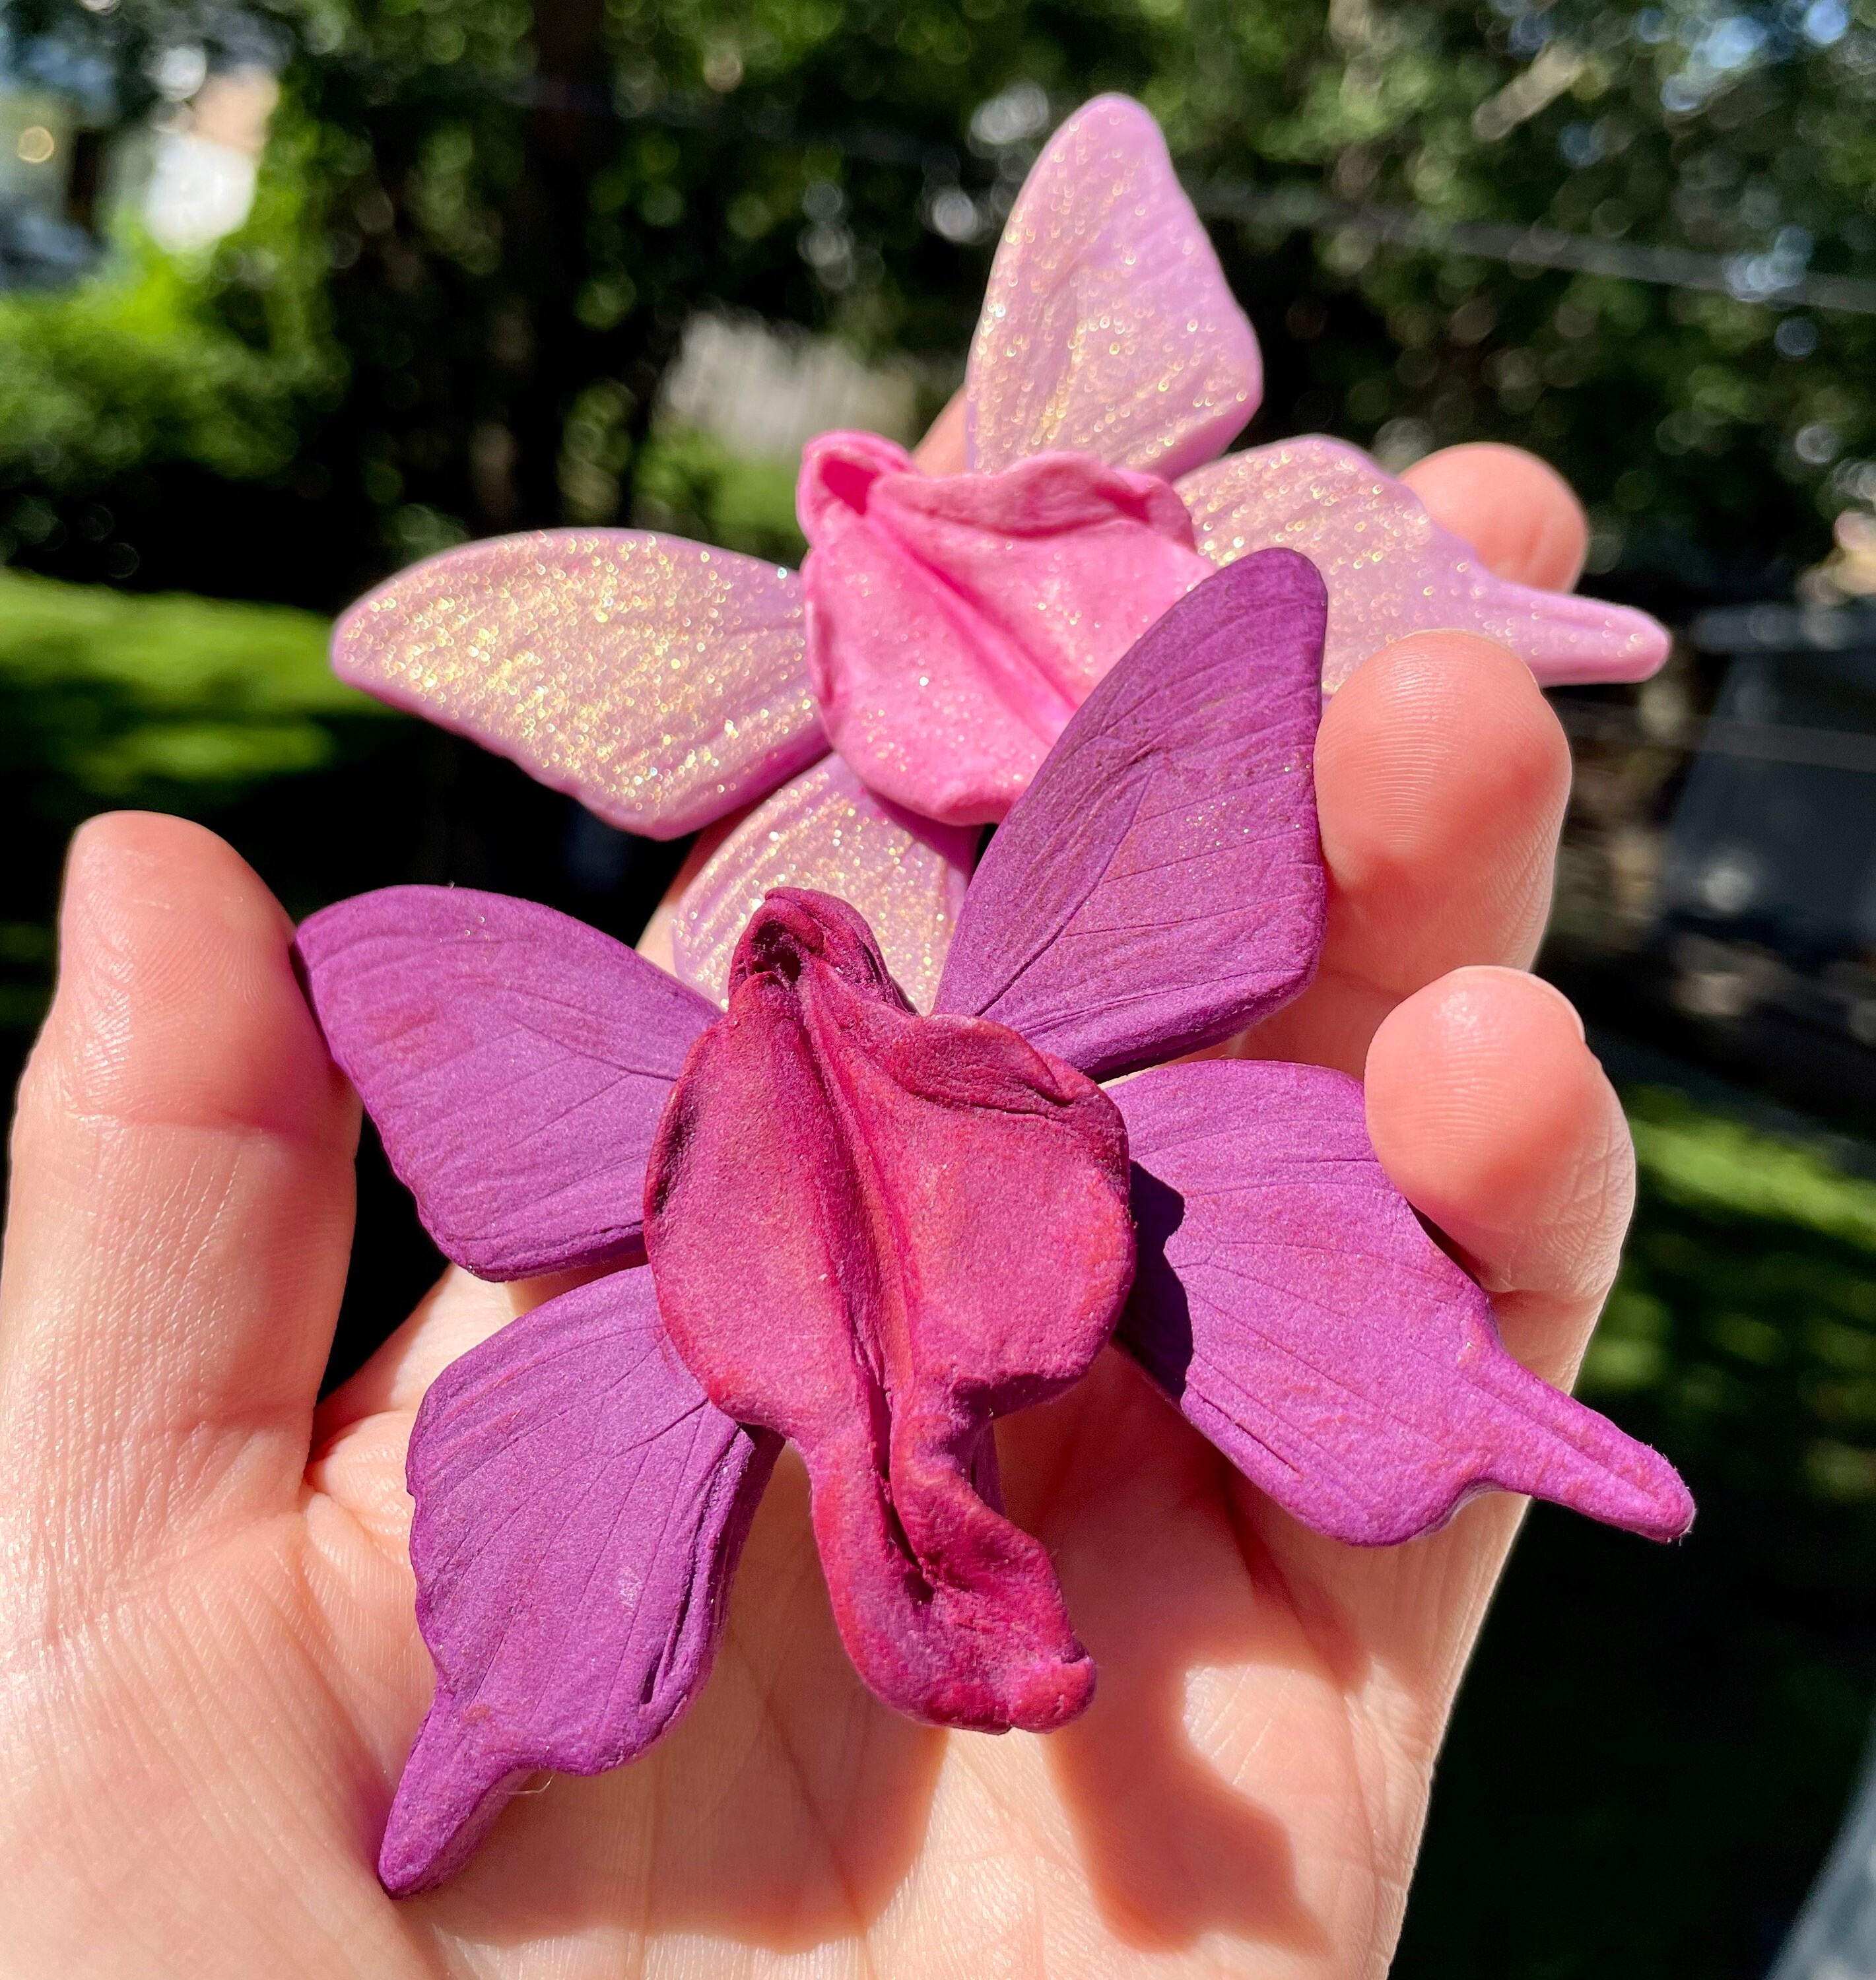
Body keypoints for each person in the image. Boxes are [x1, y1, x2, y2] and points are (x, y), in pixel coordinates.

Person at [0, 441, 1643, 1976]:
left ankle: (1503, 1420)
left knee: (1392, 1231)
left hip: (1112, 1202)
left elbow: (407, 978)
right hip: (1047, 1206)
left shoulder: (669, 1034)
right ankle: (486, 1728)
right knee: (559, 1611)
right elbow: (393, 978)